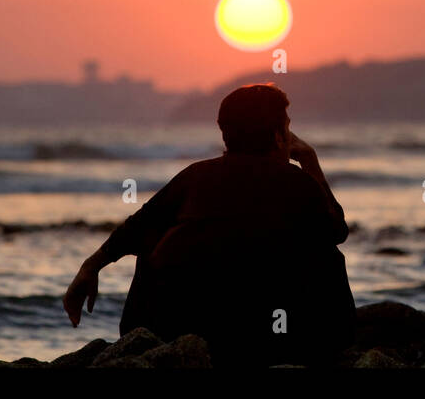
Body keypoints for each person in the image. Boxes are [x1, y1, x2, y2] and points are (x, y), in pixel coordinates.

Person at [61, 83, 355, 366]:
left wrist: (91, 266)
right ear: (279, 137)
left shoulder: (196, 176)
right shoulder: (298, 182)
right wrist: (310, 160)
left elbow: (136, 228)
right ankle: (330, 344)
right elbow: (336, 231)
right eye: (288, 127)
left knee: (154, 239)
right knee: (326, 252)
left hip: (186, 330)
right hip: (273, 337)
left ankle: (147, 339)